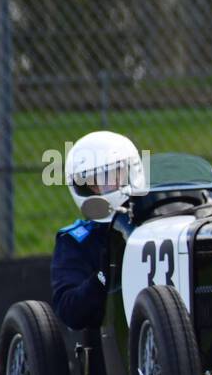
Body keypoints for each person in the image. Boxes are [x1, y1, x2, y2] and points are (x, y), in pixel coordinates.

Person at [51, 130, 146, 330]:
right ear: (90, 188)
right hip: (112, 340)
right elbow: (70, 311)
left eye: (117, 172)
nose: (114, 183)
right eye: (100, 179)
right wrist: (104, 275)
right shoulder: (76, 241)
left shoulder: (154, 222)